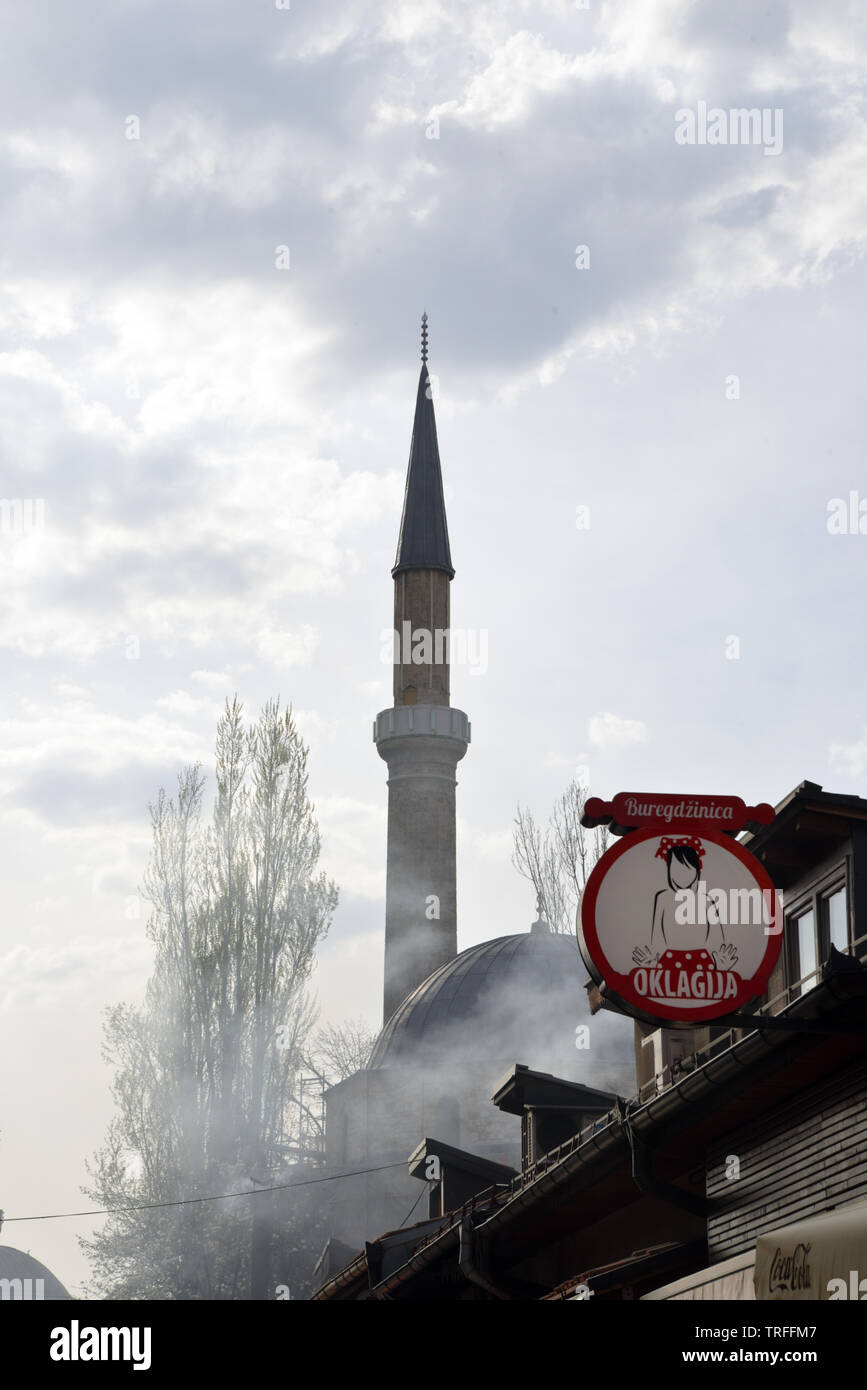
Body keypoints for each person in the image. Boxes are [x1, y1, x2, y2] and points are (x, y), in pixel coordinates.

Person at [631, 838, 737, 968]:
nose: (680, 874)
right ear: (668, 870)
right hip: (668, 961)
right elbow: (656, 939)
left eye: (687, 867)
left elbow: (719, 941)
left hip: (704, 962)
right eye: (675, 868)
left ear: (696, 870)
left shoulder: (706, 900)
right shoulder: (662, 898)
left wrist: (721, 966)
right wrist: (653, 965)